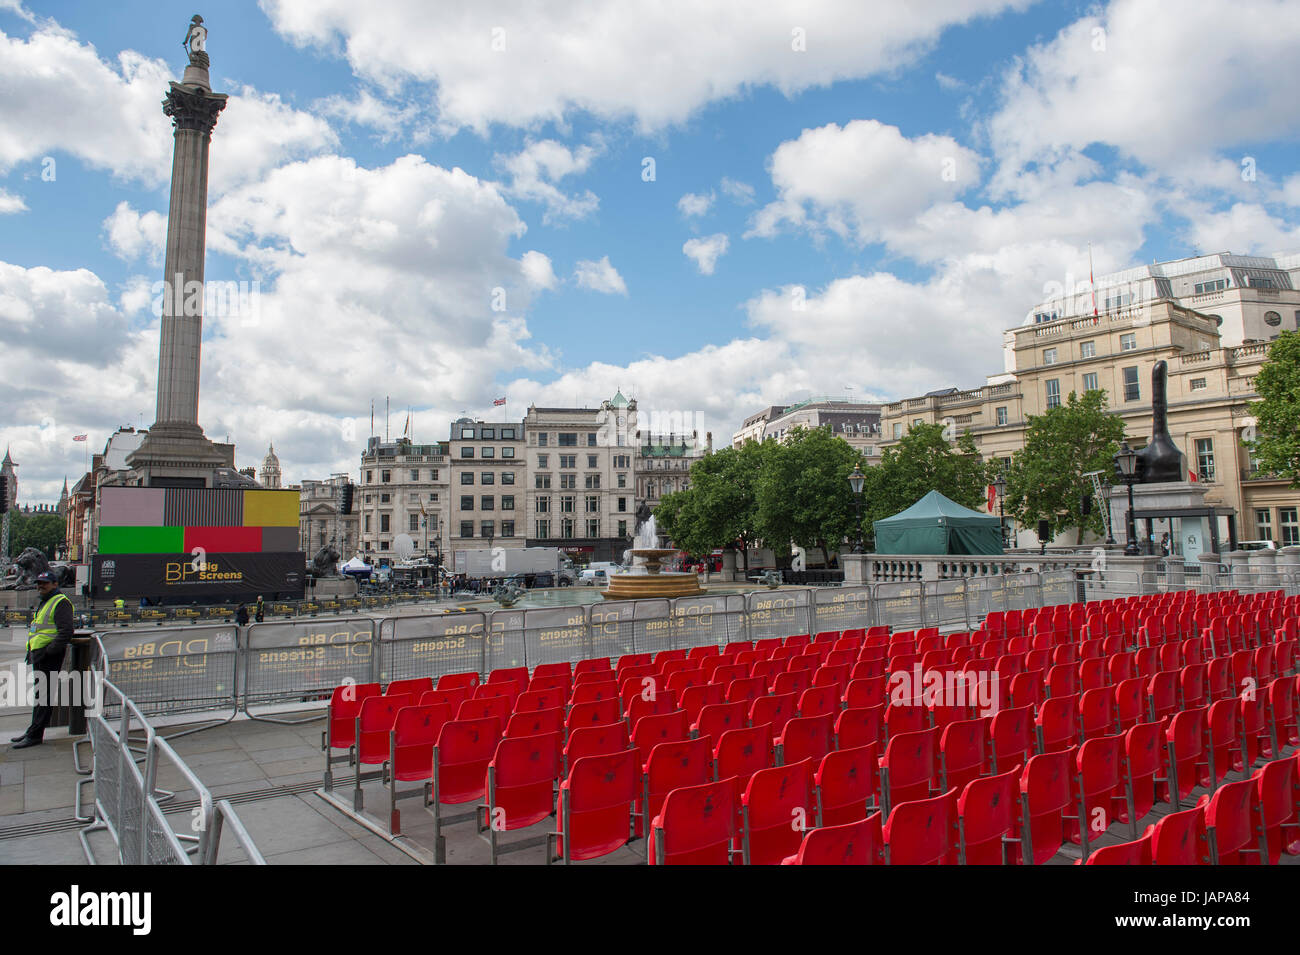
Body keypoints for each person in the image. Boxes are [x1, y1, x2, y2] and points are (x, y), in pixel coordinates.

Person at [11, 571, 75, 749]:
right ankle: (33, 730)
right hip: (39, 654)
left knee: (44, 697)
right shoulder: (46, 601)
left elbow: (66, 632)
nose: (40, 586)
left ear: (55, 584)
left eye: (45, 583)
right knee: (40, 696)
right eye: (39, 583)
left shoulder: (60, 602)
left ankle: (35, 735)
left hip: (48, 656)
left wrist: (49, 651)